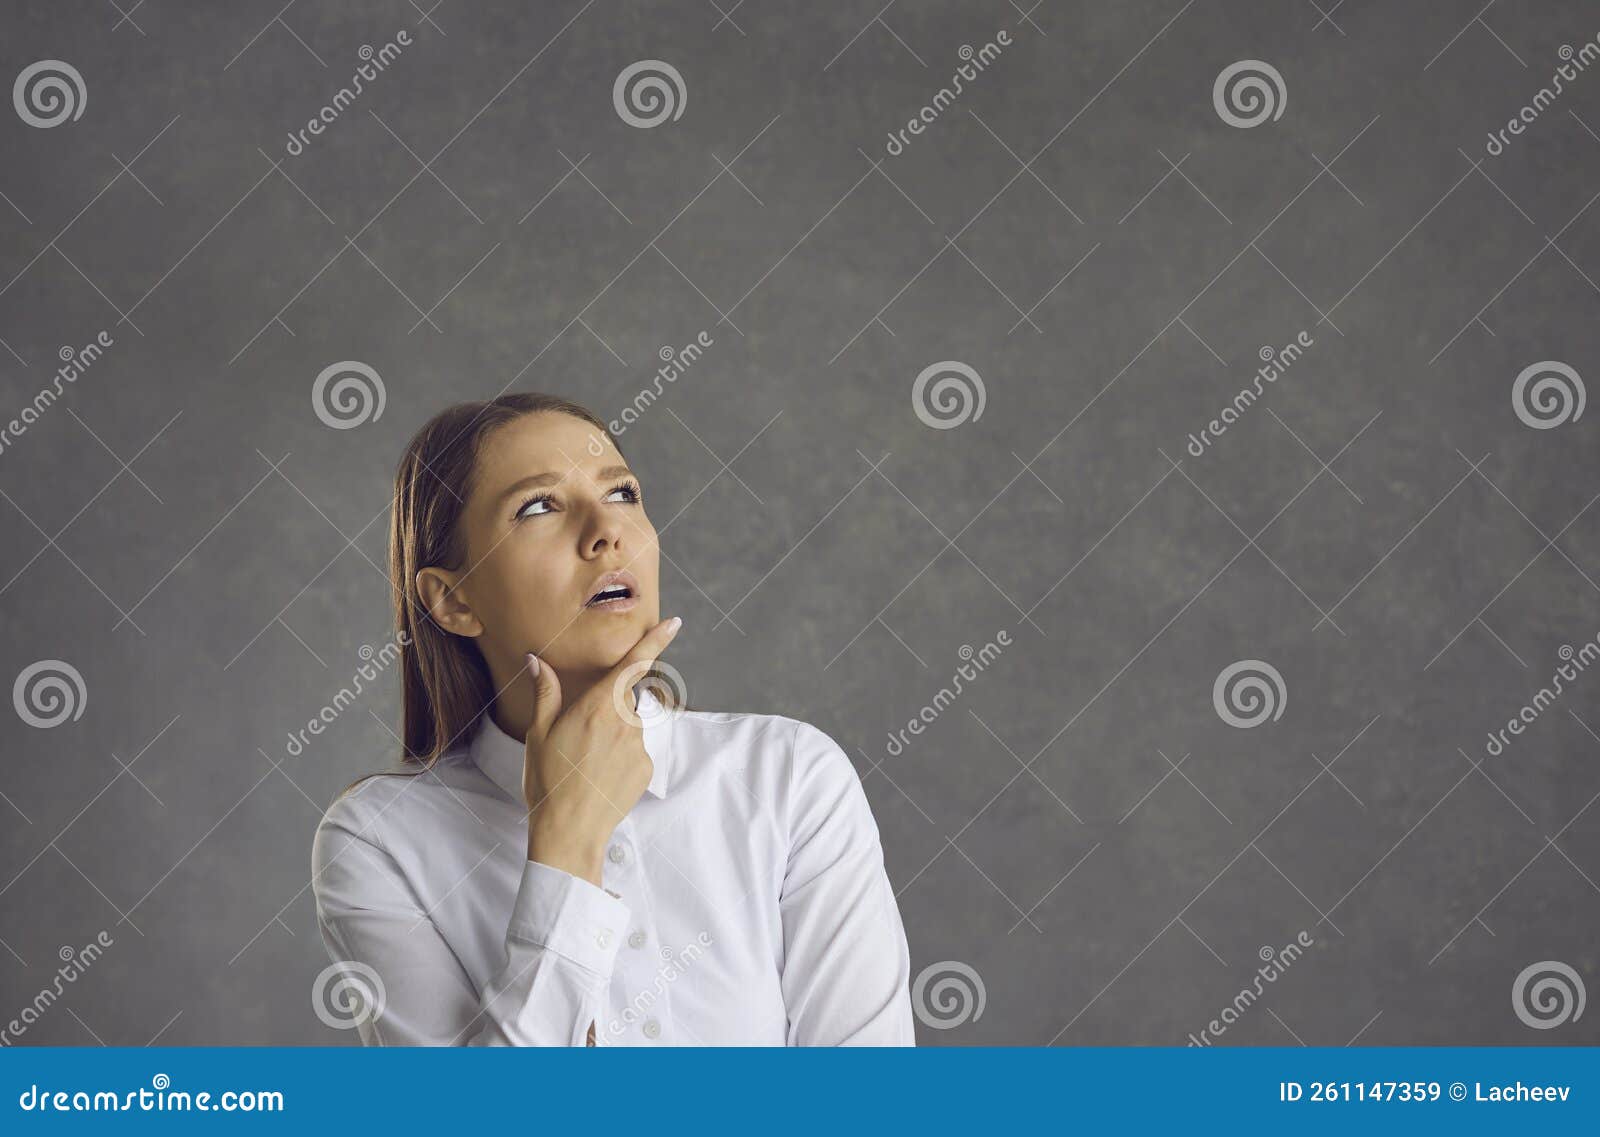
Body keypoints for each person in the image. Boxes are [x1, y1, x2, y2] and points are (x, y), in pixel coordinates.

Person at [309, 392, 915, 1045]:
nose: (607, 530)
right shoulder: (378, 840)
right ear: (454, 598)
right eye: (538, 506)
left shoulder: (788, 776)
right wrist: (569, 841)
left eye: (623, 493)